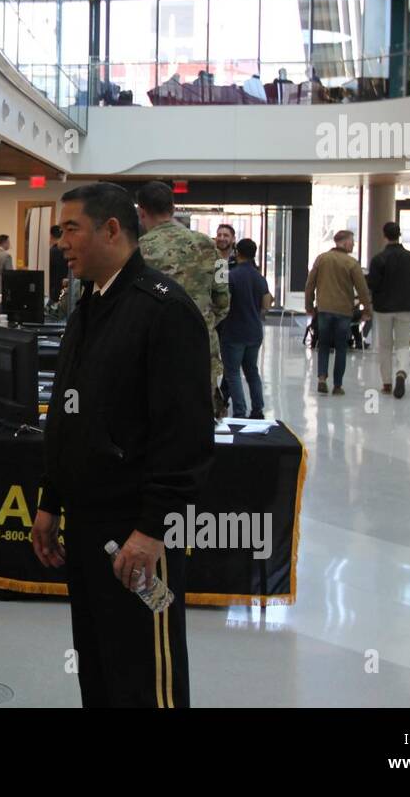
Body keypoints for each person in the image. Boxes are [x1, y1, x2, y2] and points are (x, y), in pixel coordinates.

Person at [33, 183, 212, 708]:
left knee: (143, 675)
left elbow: (185, 437)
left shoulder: (163, 310)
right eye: (58, 231)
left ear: (112, 230)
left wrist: (152, 530)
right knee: (100, 665)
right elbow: (69, 413)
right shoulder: (90, 304)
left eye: (71, 229)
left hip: (136, 532)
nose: (61, 242)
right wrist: (50, 498)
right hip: (87, 525)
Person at [137, 181, 229, 403]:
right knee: (202, 414)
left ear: (141, 212)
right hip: (202, 347)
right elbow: (223, 300)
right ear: (173, 208)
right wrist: (201, 321)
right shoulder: (209, 246)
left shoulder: (136, 251)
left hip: (154, 349)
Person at [304, 230, 372, 396]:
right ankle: (337, 385)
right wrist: (367, 310)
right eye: (352, 241)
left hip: (324, 310)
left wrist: (309, 306)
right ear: (344, 242)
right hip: (344, 311)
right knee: (341, 347)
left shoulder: (322, 259)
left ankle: (321, 378)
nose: (353, 244)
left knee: (324, 345)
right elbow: (362, 289)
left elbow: (310, 284)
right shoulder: (351, 263)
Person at [367, 221, 410, 399]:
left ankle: (386, 383)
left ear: (384, 236)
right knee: (403, 344)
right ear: (399, 235)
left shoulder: (378, 259)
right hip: (406, 308)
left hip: (383, 308)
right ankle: (401, 371)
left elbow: (372, 284)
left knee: (385, 345)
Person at [220, 238, 273, 418]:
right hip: (254, 331)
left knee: (233, 373)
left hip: (234, 331)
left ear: (237, 252)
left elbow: (222, 303)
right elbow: (266, 305)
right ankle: (257, 409)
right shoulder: (260, 277)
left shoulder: (231, 276)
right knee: (252, 371)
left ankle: (240, 412)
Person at [49, 224, 69, 302]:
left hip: (54, 290)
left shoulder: (52, 252)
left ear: (51, 236)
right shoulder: (67, 250)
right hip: (67, 290)